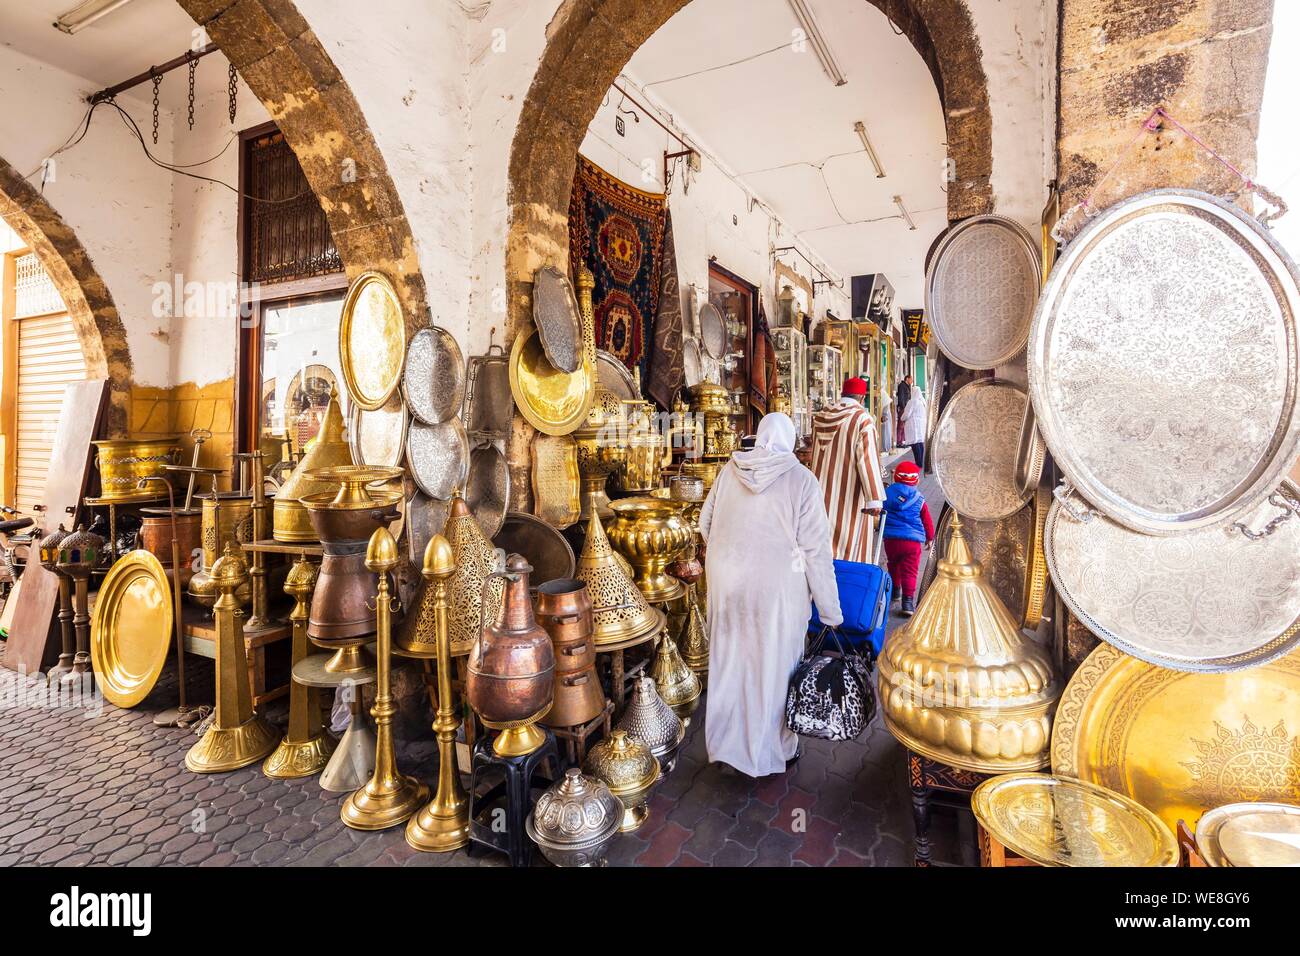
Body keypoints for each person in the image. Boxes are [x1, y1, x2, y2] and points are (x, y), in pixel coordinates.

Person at [698, 412, 842, 778]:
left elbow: (705, 524)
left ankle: (725, 747)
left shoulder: (729, 472)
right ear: (790, 440)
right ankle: (769, 752)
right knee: (774, 668)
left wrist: (729, 552)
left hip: (727, 583)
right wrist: (831, 612)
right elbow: (816, 551)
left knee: (729, 663)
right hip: (778, 590)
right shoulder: (801, 480)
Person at [810, 376, 886, 562]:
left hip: (819, 493)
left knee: (820, 545)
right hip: (848, 496)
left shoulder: (821, 416)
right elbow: (867, 459)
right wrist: (874, 498)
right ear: (862, 398)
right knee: (849, 549)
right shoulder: (862, 419)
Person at [881, 460, 935, 617]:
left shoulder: (887, 493)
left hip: (891, 540)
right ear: (916, 480)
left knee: (893, 565)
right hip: (912, 542)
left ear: (896, 477)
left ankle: (895, 592)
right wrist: (930, 538)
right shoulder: (919, 499)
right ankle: (907, 603)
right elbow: (927, 520)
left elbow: (880, 511)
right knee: (910, 571)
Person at [900, 385, 927, 468]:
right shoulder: (922, 401)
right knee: (920, 443)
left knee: (915, 444)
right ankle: (920, 462)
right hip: (921, 425)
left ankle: (918, 463)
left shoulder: (912, 401)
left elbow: (906, 414)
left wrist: (902, 418)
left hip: (913, 425)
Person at [895, 375, 912, 445]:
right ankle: (899, 442)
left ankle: (902, 441)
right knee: (901, 425)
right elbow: (901, 398)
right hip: (903, 408)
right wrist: (904, 407)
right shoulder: (902, 386)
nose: (912, 381)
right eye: (911, 379)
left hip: (906, 408)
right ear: (907, 379)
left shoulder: (907, 386)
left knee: (904, 425)